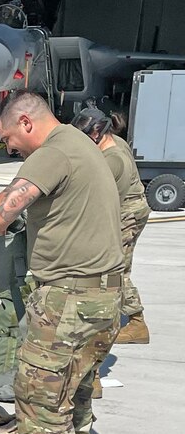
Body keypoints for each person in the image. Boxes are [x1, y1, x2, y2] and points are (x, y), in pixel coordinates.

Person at [0, 91, 124, 434]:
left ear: (26, 122)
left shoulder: (52, 153)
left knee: (37, 394)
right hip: (104, 295)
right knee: (75, 390)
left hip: (68, 297)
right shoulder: (82, 145)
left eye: (9, 138)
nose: (9, 149)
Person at [71, 106, 151, 348]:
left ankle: (136, 322)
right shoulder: (114, 142)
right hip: (131, 209)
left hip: (125, 214)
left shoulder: (111, 158)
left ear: (96, 133)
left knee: (117, 271)